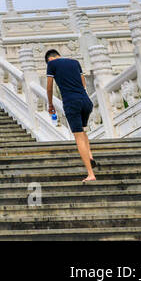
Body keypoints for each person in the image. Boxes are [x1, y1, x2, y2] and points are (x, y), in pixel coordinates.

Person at [45, 49, 97, 182]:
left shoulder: (52, 65)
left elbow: (49, 87)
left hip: (71, 103)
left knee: (78, 137)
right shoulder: (75, 62)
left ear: (49, 59)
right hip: (85, 101)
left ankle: (91, 174)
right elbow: (83, 82)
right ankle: (90, 155)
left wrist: (50, 104)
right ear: (58, 55)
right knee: (83, 131)